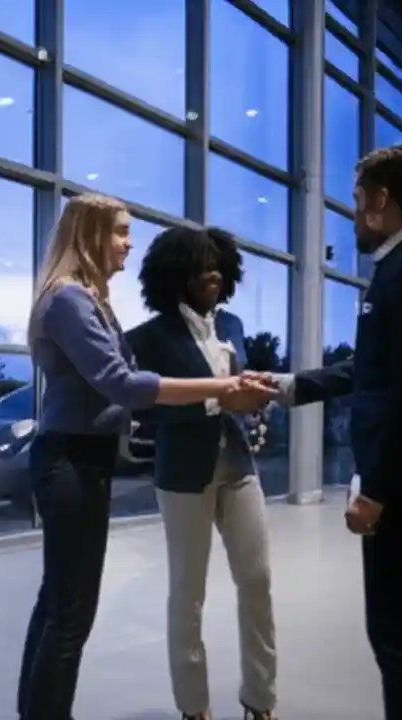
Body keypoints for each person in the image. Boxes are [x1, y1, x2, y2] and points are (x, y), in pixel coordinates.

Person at [18, 193, 276, 720]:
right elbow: (121, 383)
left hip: (85, 458)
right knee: (70, 613)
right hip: (72, 459)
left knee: (60, 605)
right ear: (88, 232)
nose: (127, 243)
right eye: (118, 231)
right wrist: (222, 389)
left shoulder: (86, 299)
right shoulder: (70, 300)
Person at [253, 145, 402, 719]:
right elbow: (374, 369)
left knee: (399, 636)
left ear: (381, 200)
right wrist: (287, 385)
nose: (354, 215)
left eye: (357, 202)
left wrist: (377, 490)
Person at [125, 226, 278, 720]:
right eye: (199, 264)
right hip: (183, 474)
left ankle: (261, 699)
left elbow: (240, 387)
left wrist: (249, 401)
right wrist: (216, 398)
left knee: (257, 580)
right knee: (188, 594)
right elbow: (148, 410)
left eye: (218, 263)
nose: (212, 272)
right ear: (175, 273)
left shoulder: (231, 325)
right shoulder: (146, 338)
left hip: (239, 465)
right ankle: (195, 708)